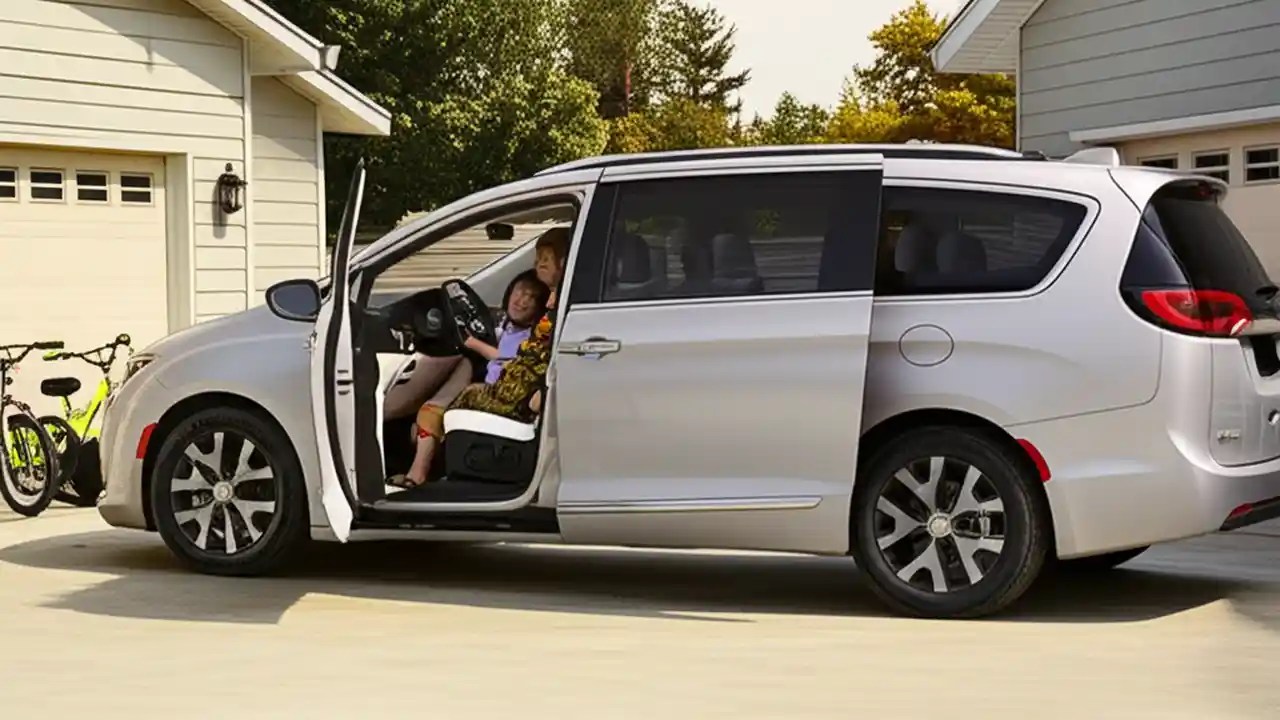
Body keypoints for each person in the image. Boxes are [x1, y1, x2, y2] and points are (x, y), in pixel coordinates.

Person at [395, 227, 570, 488]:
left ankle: (423, 472)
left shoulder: (556, 312)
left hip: (518, 393)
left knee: (458, 399)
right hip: (517, 385)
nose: (539, 264)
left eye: (547, 258)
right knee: (462, 375)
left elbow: (531, 360)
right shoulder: (549, 308)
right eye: (538, 258)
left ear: (564, 262)